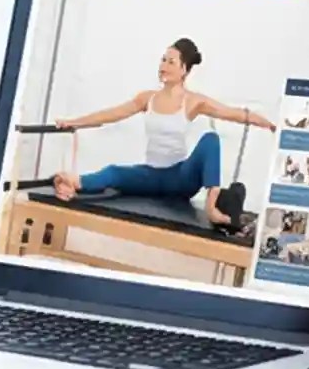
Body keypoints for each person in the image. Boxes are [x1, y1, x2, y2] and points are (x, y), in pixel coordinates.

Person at [50, 38, 276, 227]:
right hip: (150, 176)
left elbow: (233, 113)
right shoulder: (147, 98)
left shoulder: (193, 101)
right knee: (113, 172)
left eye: (171, 61)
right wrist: (73, 123)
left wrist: (268, 123)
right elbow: (111, 114)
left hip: (181, 179)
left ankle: (212, 206)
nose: (164, 66)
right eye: (163, 60)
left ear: (184, 69)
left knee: (211, 139)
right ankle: (73, 183)